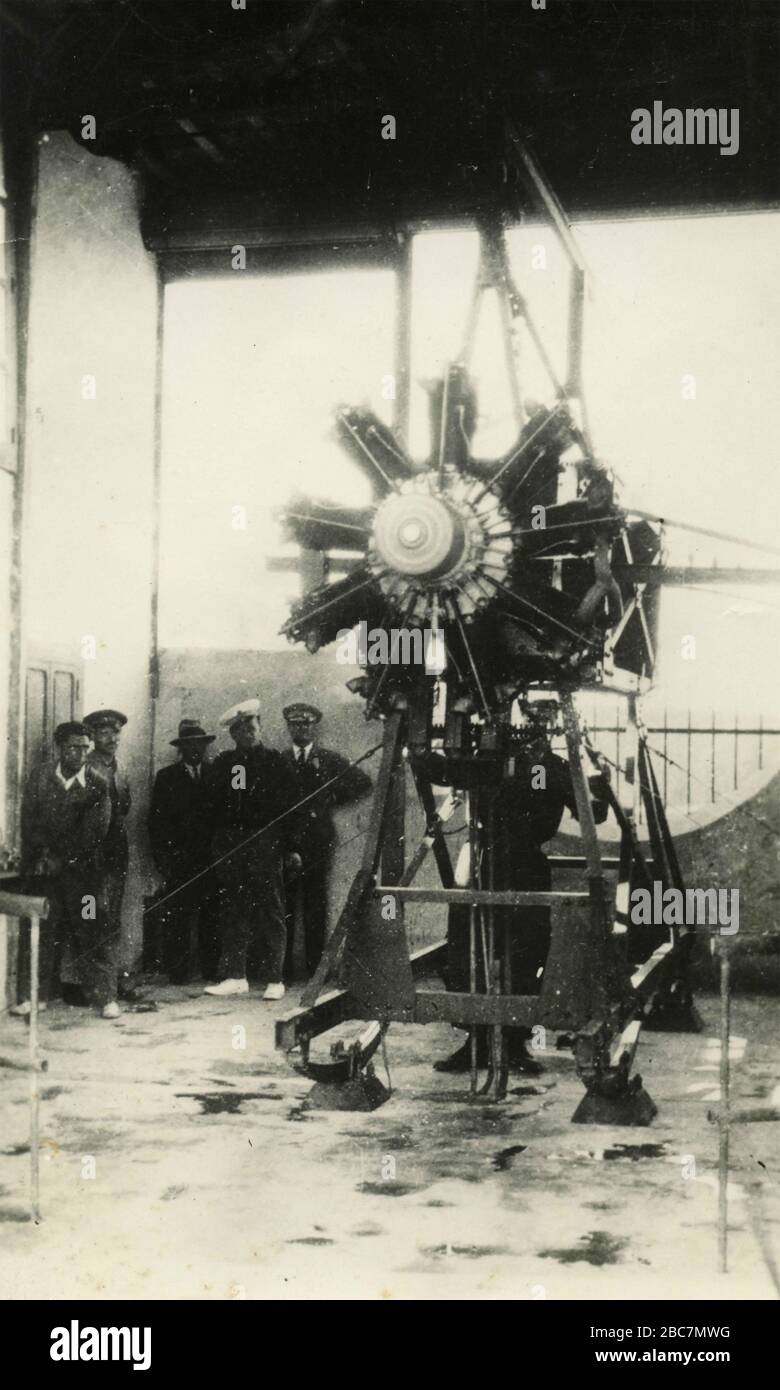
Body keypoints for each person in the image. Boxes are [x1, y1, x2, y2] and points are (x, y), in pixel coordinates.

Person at [432, 703, 609, 1073]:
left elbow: (593, 812)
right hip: (482, 861)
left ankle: (514, 1043)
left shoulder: (553, 768)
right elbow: (446, 772)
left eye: (541, 724)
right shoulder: (487, 759)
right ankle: (475, 1038)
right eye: (528, 723)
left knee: (526, 951)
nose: (533, 732)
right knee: (466, 948)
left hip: (525, 865)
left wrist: (597, 777)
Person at [12, 721, 118, 1018]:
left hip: (85, 878)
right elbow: (29, 821)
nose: (81, 754)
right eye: (74, 747)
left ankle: (106, 998)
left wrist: (63, 858)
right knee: (40, 933)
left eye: (85, 747)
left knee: (92, 931)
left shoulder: (98, 783)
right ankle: (34, 997)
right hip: (46, 875)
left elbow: (94, 833)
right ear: (60, 748)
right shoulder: (40, 777)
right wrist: (43, 856)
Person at [204, 699, 301, 1001]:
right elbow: (215, 807)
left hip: (266, 843)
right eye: (240, 729)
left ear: (260, 727)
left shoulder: (276, 762)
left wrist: (291, 847)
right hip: (232, 846)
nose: (247, 732)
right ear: (233, 734)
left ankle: (275, 978)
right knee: (234, 909)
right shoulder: (224, 764)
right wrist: (221, 844)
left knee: (271, 909)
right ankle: (236, 976)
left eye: (252, 726)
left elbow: (291, 808)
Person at [281, 703, 372, 978]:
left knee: (315, 904)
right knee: (285, 906)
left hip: (316, 840)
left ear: (314, 727)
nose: (301, 729)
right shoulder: (279, 760)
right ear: (289, 727)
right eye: (295, 724)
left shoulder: (329, 759)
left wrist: (332, 797)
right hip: (286, 840)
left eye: (306, 724)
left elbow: (363, 782)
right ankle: (283, 969)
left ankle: (313, 970)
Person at [147, 719, 220, 983]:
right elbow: (156, 823)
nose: (195, 749)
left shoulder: (216, 774)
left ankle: (211, 971)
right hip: (180, 860)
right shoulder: (167, 777)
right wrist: (163, 860)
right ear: (181, 748)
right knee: (178, 915)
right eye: (189, 745)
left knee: (212, 915)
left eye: (199, 744)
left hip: (211, 859)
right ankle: (178, 973)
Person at [84, 708, 131, 1000]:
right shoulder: (85, 768)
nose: (112, 739)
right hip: (92, 855)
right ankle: (90, 984)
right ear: (92, 736)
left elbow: (124, 807)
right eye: (104, 733)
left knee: (111, 918)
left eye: (116, 733)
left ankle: (109, 981)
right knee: (91, 916)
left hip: (116, 853)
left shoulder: (120, 768)